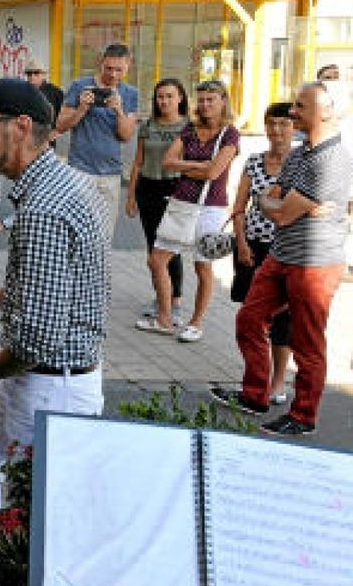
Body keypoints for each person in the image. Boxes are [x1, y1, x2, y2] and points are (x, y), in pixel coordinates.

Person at [0, 79, 109, 511]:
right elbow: (42, 287)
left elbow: (38, 338)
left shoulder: (43, 209)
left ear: (21, 126)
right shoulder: (62, 182)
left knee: (33, 515)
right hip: (46, 376)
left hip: (49, 385)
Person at [212, 81, 350, 436]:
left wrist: (278, 204)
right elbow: (271, 199)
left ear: (326, 112)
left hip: (315, 264)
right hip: (281, 254)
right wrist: (274, 202)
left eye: (300, 106)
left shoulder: (332, 160)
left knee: (307, 342)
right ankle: (255, 395)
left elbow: (283, 213)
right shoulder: (300, 153)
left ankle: (303, 416)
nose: (292, 112)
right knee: (249, 319)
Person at [135, 80, 240, 343]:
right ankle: (165, 319)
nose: (205, 105)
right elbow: (168, 161)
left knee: (202, 266)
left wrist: (191, 166)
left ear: (223, 101)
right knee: (157, 260)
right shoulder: (190, 129)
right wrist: (200, 165)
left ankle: (196, 322)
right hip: (181, 203)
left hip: (210, 206)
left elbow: (214, 173)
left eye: (210, 100)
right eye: (201, 100)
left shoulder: (230, 134)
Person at [228, 102, 295, 405]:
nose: (276, 130)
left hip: (285, 251)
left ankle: (278, 382)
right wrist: (241, 243)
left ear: (294, 128)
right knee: (251, 317)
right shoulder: (254, 162)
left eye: (283, 124)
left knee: (283, 320)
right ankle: (255, 377)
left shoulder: (299, 164)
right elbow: (239, 206)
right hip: (252, 247)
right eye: (271, 123)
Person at [56, 43, 140, 240]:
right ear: (101, 62)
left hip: (111, 173)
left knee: (104, 235)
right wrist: (82, 109)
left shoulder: (130, 94)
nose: (113, 74)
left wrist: (119, 111)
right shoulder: (80, 86)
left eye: (119, 70)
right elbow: (60, 126)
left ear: (128, 66)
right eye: (108, 68)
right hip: (80, 170)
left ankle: (99, 262)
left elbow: (126, 136)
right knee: (76, 231)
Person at [125, 78, 190, 325]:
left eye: (169, 96)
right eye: (160, 97)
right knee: (153, 247)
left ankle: (176, 301)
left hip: (174, 190)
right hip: (147, 189)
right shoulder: (148, 125)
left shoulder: (188, 127)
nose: (164, 101)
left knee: (170, 249)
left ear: (180, 98)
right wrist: (131, 196)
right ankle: (161, 298)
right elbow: (138, 162)